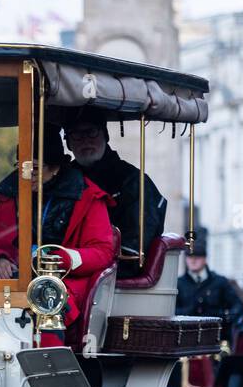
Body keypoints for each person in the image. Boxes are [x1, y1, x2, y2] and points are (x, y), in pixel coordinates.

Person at [0, 127, 115, 345]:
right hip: (16, 277)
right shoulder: (9, 195)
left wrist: (61, 259)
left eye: (34, 168)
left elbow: (102, 251)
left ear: (55, 168)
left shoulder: (87, 196)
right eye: (21, 167)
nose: (26, 175)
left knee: (48, 299)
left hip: (65, 279)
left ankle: (48, 367)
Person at [63, 112, 166, 279]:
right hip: (66, 267)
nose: (85, 140)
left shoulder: (133, 181)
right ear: (68, 143)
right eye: (76, 135)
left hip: (111, 273)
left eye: (92, 132)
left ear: (106, 135)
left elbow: (133, 248)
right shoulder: (63, 180)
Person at [175, 233, 243, 336]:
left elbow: (237, 306)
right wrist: (189, 311)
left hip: (217, 336)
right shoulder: (178, 284)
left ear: (205, 259)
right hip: (187, 338)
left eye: (197, 257)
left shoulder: (220, 282)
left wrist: (225, 318)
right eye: (190, 257)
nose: (193, 260)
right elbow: (172, 311)